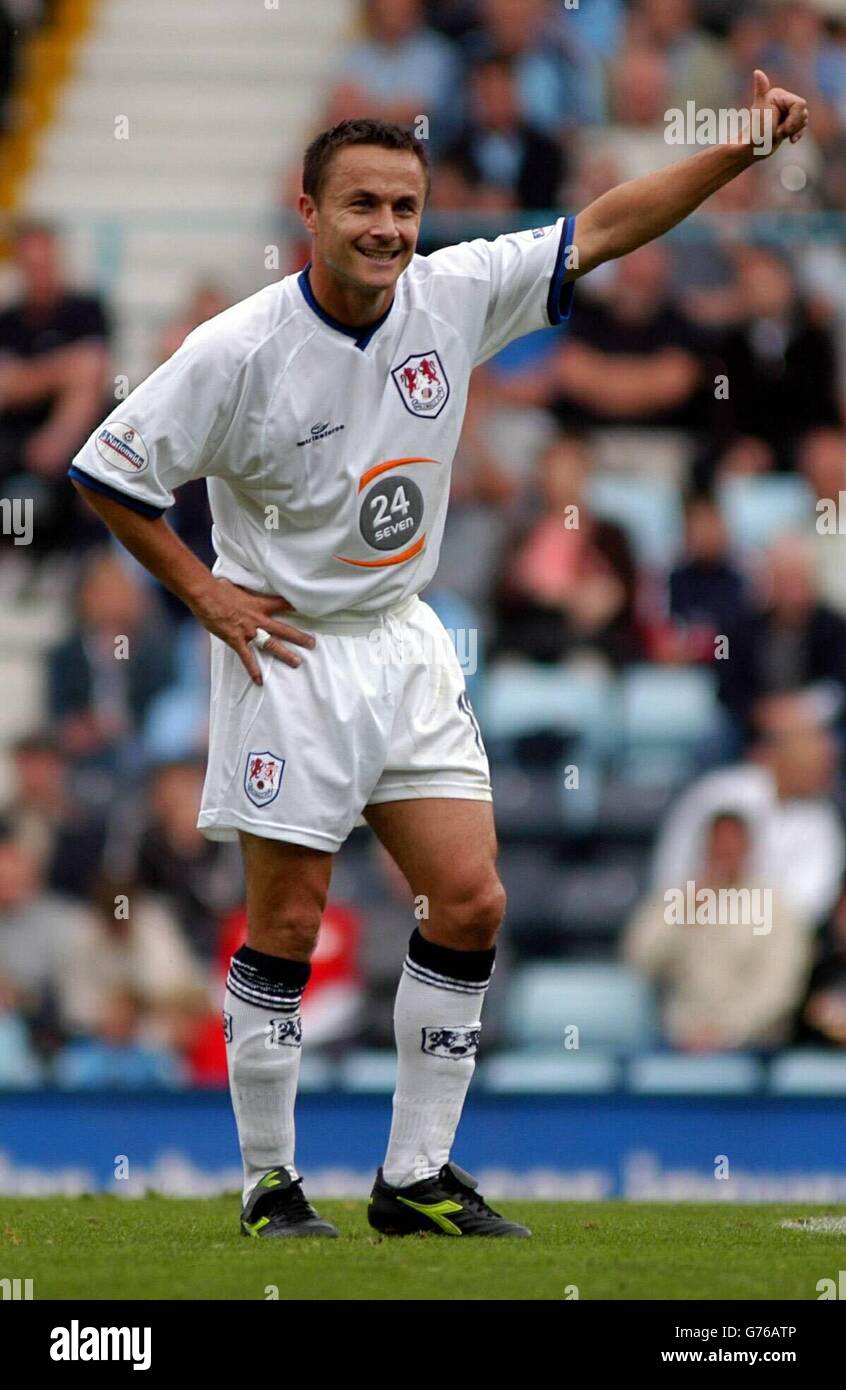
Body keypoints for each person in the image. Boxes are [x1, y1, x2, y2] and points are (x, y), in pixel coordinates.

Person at [69, 74, 810, 1240]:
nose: (387, 227)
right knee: (290, 928)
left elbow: (610, 225)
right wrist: (207, 592)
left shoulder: (452, 294)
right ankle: (270, 1183)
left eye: (405, 206)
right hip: (292, 653)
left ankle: (415, 1176)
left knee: (469, 900)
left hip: (407, 641)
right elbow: (108, 472)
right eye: (362, 203)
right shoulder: (239, 349)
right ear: (307, 211)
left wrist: (740, 148)